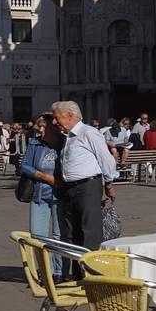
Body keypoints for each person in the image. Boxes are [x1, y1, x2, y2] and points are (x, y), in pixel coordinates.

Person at [51, 100, 117, 250]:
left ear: (70, 116)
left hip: (88, 187)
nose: (54, 121)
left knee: (90, 232)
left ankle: (90, 271)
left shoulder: (89, 133)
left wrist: (109, 183)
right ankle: (77, 272)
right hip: (69, 188)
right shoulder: (66, 136)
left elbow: (106, 160)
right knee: (72, 233)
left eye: (57, 117)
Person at [19, 116, 65, 275]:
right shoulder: (35, 143)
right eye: (39, 128)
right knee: (37, 235)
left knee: (59, 235)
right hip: (39, 195)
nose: (41, 131)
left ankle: (59, 272)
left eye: (44, 127)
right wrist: (43, 176)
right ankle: (46, 270)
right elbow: (24, 165)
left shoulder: (63, 143)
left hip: (60, 196)